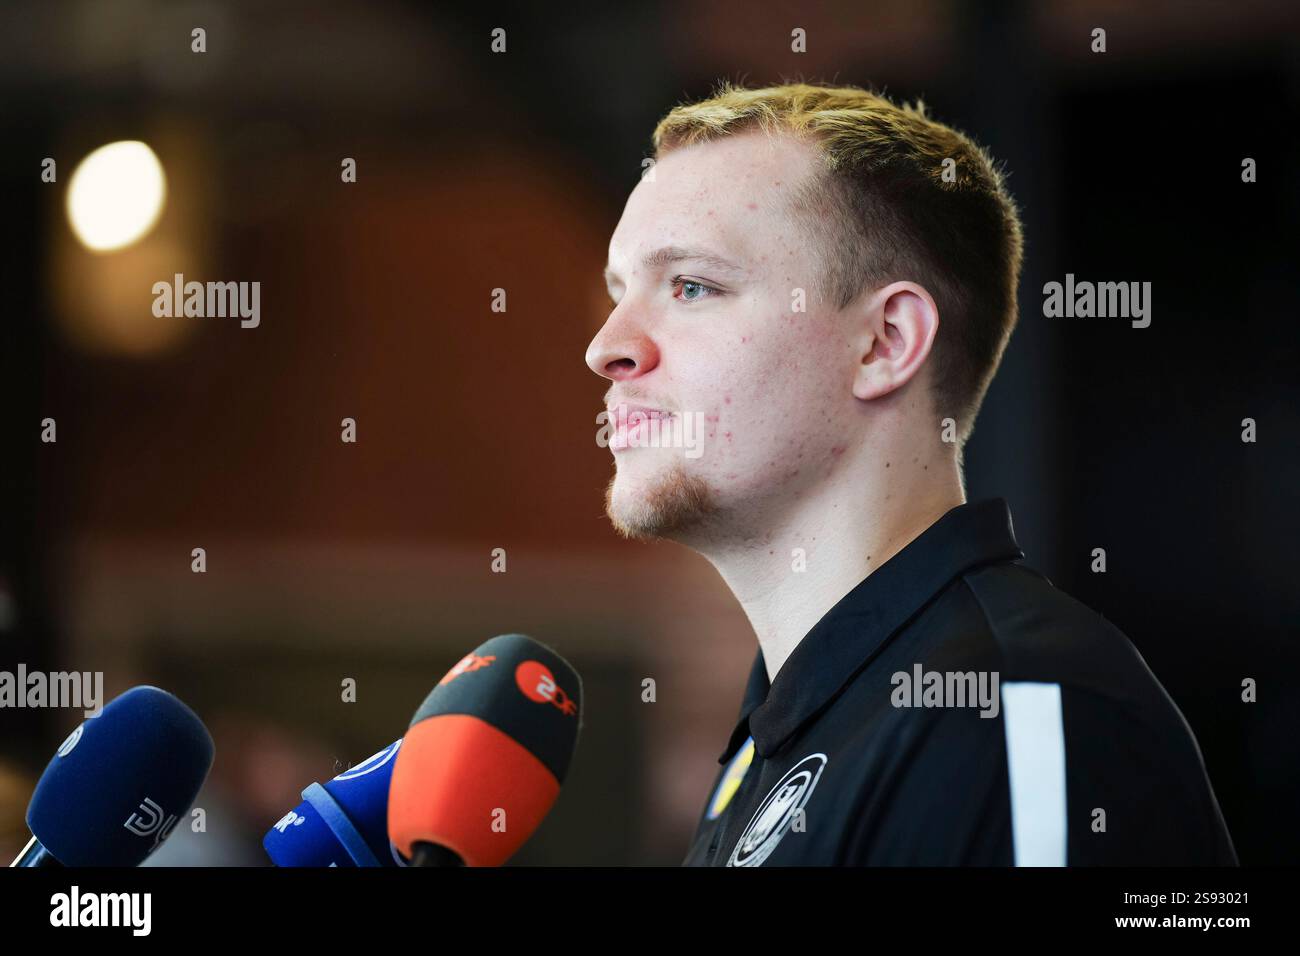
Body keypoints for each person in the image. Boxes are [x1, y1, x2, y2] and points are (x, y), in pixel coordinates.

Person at [585, 80, 1236, 866]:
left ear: (886, 342)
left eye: (692, 286)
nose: (607, 348)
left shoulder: (1014, 713)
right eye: (622, 292)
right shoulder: (773, 748)